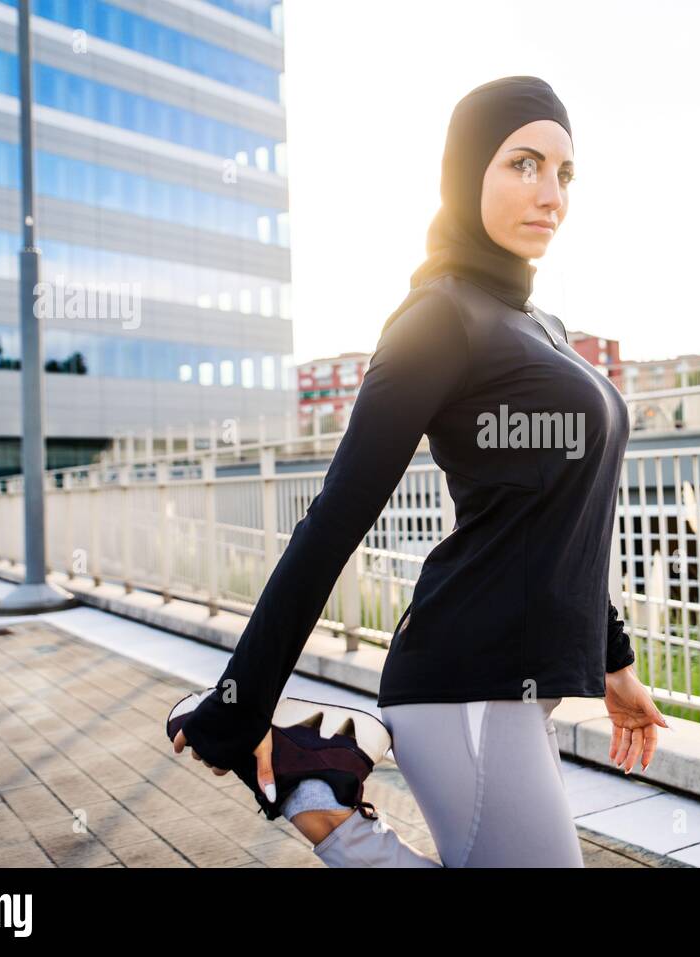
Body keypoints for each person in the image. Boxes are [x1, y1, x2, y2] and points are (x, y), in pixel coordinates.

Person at [171, 75, 668, 867]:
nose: (551, 195)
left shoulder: (540, 324)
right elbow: (335, 519)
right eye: (523, 164)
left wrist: (613, 661)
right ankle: (312, 797)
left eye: (565, 173)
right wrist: (237, 705)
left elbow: (564, 516)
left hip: (518, 686)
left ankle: (312, 779)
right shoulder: (437, 316)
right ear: (467, 172)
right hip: (467, 678)